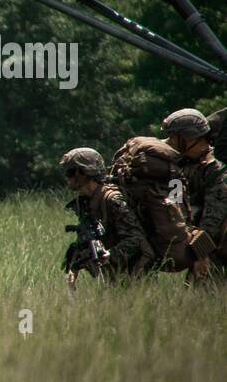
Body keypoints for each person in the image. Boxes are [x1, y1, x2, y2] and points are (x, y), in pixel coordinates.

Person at [59, 147, 153, 287]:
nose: (67, 178)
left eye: (70, 172)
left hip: (136, 277)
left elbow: (136, 238)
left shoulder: (112, 200)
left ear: (84, 173)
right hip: (113, 278)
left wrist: (109, 255)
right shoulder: (85, 201)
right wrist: (75, 266)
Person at [162, 108, 226, 279]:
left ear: (190, 138)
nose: (170, 142)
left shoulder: (216, 173)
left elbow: (211, 224)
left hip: (215, 246)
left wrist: (199, 255)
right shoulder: (182, 164)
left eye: (174, 138)